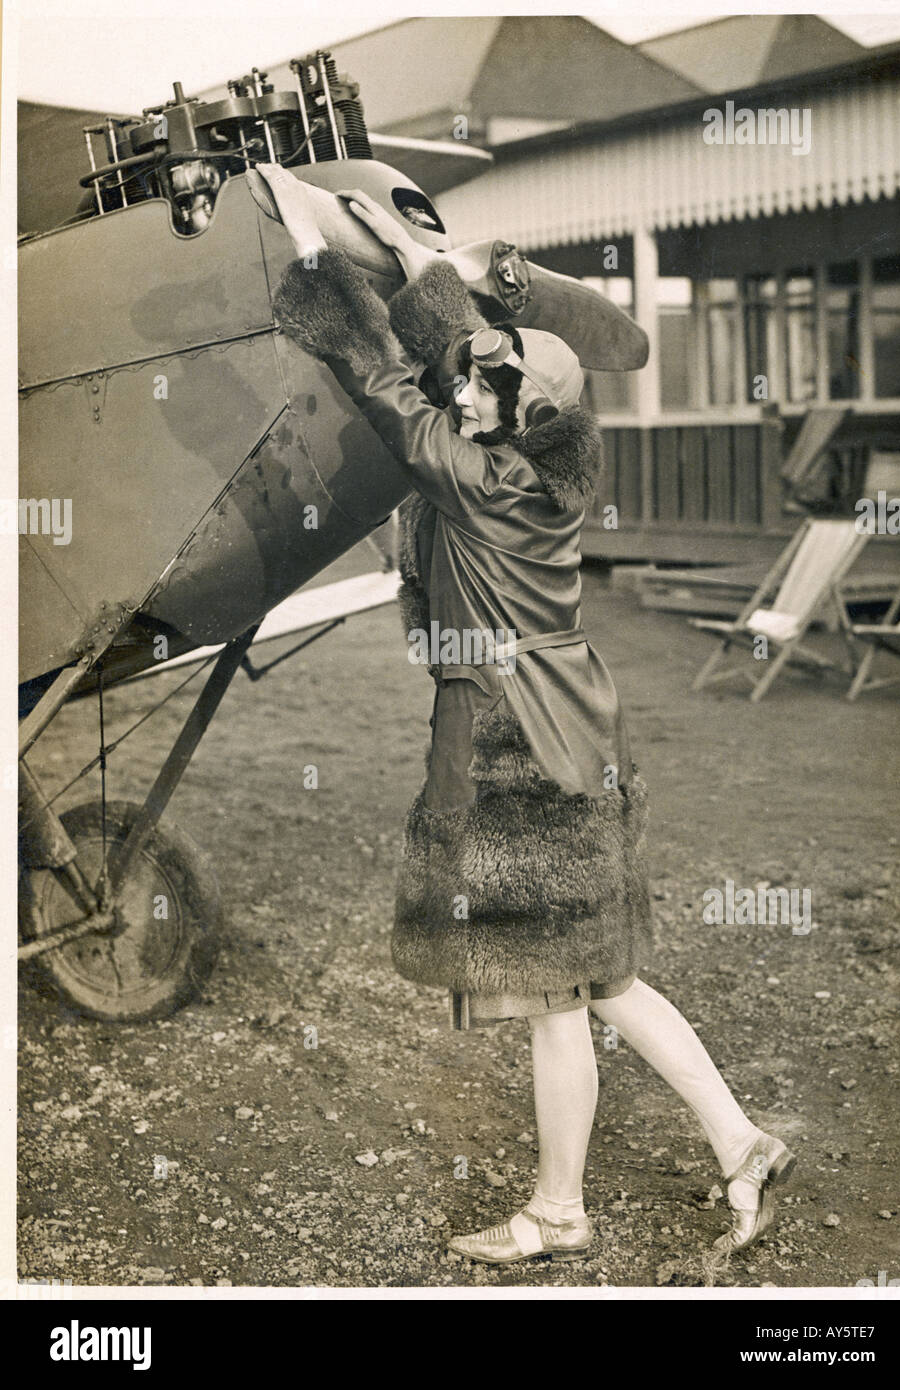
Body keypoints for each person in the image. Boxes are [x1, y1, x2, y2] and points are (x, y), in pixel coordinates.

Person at [256, 164, 796, 1267]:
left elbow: (382, 384)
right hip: (572, 728)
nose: (464, 390)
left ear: (522, 413)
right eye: (472, 376)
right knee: (605, 977)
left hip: (518, 747)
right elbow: (440, 368)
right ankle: (741, 1142)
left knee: (561, 996)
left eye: (486, 385)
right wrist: (412, 263)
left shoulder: (479, 479)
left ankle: (558, 1211)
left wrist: (316, 257)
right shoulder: (540, 473)